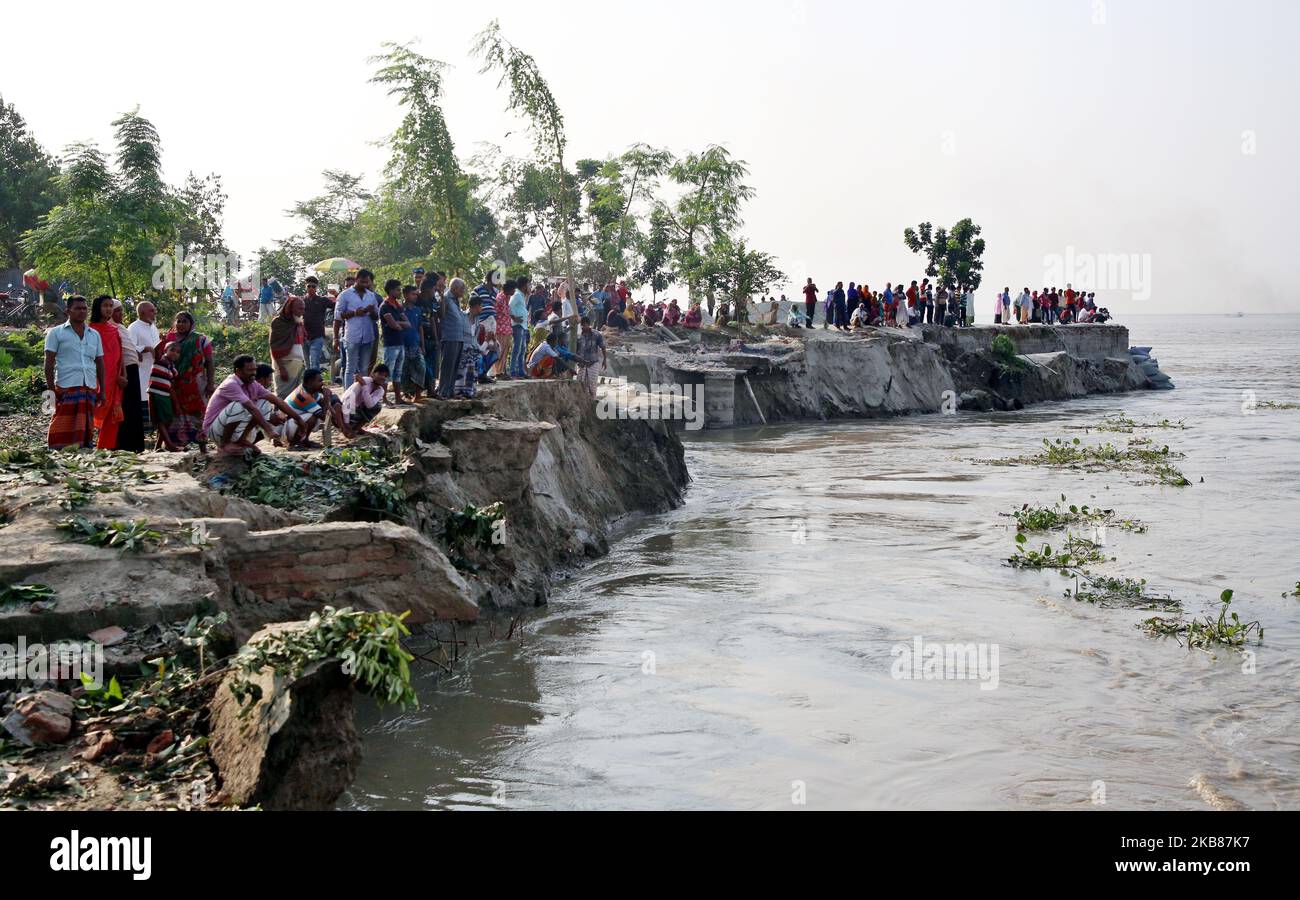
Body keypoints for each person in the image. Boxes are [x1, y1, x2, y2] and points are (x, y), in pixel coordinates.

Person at [203, 355, 304, 455]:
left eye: (254, 370)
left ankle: (241, 439)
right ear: (238, 371)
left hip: (231, 428)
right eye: (249, 370)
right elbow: (250, 407)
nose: (253, 373)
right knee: (240, 405)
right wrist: (268, 430)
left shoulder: (252, 384)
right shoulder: (231, 384)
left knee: (264, 402)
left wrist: (299, 419)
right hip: (214, 429)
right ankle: (225, 444)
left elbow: (277, 401)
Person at [43, 296, 105, 450]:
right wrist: (50, 391)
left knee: (85, 426)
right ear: (67, 311)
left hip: (88, 387)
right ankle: (57, 452)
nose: (82, 311)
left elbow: (100, 363)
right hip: (65, 386)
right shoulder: (55, 333)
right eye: (77, 308)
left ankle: (82, 452)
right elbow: (48, 363)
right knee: (59, 424)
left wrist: (102, 390)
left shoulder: (94, 334)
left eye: (84, 308)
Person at [153, 312, 214, 449]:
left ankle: (202, 446)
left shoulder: (200, 339)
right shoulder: (169, 338)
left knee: (198, 413)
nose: (181, 324)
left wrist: (210, 383)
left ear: (191, 324)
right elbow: (159, 357)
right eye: (178, 321)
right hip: (173, 384)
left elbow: (209, 362)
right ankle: (173, 445)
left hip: (196, 385)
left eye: (184, 321)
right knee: (174, 413)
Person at [87, 296, 126, 450]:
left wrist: (123, 375)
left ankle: (105, 448)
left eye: (111, 306)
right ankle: (85, 448)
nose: (109, 309)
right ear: (98, 307)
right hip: (97, 379)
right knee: (91, 414)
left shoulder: (115, 330)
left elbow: (120, 355)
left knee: (112, 417)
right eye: (105, 306)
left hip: (115, 380)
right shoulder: (90, 330)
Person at [109, 299, 145, 451]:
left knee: (134, 407)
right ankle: (125, 444)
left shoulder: (121, 327)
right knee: (126, 407)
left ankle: (136, 444)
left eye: (121, 310)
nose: (121, 314)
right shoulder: (110, 328)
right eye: (117, 311)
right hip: (122, 371)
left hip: (133, 368)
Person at [336, 269, 381, 386]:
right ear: (356, 280)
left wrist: (371, 312)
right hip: (352, 336)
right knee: (350, 368)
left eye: (367, 282)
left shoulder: (371, 296)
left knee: (364, 368)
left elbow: (376, 317)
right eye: (362, 282)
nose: (365, 284)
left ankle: (362, 396)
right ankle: (348, 396)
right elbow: (339, 315)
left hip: (367, 336)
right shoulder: (345, 295)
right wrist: (355, 313)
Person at [283, 368, 350, 446]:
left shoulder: (310, 390)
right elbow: (324, 416)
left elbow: (323, 403)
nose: (322, 383)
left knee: (330, 404)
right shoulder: (303, 396)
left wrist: (339, 422)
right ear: (310, 382)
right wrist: (327, 398)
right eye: (319, 381)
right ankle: (295, 443)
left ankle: (304, 440)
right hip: (286, 426)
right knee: (312, 417)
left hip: (293, 422)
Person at [127, 300, 160, 427]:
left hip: (154, 368)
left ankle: (154, 427)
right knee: (142, 396)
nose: (154, 312)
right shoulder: (134, 327)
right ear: (142, 312)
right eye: (151, 310)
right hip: (142, 369)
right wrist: (146, 348)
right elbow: (131, 347)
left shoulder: (153, 326)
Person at [437, 278, 470, 399]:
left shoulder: (456, 300)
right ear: (455, 288)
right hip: (449, 337)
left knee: (454, 366)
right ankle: (443, 392)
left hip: (458, 337)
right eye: (462, 289)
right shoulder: (445, 298)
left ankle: (450, 391)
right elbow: (441, 315)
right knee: (447, 366)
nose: (463, 291)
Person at [378, 279, 411, 405]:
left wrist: (398, 323)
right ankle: (384, 398)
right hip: (391, 343)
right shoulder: (385, 306)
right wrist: (399, 324)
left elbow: (407, 324)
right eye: (398, 289)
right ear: (391, 290)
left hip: (399, 342)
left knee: (398, 372)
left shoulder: (397, 305)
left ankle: (398, 398)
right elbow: (394, 325)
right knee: (387, 373)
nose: (400, 292)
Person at [270, 295, 308, 398]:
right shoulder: (278, 322)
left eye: (304, 309)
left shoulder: (298, 323)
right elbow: (274, 347)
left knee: (296, 396)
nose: (302, 312)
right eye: (300, 308)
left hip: (298, 366)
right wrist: (282, 368)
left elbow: (302, 342)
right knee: (283, 396)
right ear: (290, 308)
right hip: (284, 366)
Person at [148, 341, 182, 451]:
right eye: (172, 350)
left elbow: (173, 382)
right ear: (165, 351)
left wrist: (176, 402)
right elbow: (155, 351)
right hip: (156, 394)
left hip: (166, 395)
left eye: (177, 352)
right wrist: (162, 341)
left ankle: (158, 447)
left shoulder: (172, 368)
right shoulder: (160, 360)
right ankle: (169, 445)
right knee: (160, 421)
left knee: (168, 420)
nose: (175, 353)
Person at [399, 284, 427, 401]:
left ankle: (418, 393)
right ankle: (406, 393)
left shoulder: (417, 310)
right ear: (405, 295)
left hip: (415, 343)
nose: (416, 296)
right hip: (403, 344)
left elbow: (420, 327)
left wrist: (422, 345)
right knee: (404, 370)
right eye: (413, 294)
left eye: (416, 294)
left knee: (420, 368)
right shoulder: (399, 309)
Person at [341, 364, 389, 431]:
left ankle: (357, 428)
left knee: (377, 406)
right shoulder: (365, 380)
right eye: (380, 374)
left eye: (385, 376)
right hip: (345, 408)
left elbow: (370, 405)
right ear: (373, 374)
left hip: (357, 410)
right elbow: (348, 399)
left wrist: (364, 385)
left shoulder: (380, 390)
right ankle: (347, 426)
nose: (383, 377)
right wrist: (346, 423)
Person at [302, 276, 333, 370]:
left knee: (314, 362)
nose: (311, 288)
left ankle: (315, 383)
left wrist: (336, 295)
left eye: (313, 286)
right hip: (304, 336)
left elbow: (337, 306)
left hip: (317, 336)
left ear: (316, 288)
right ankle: (309, 383)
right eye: (309, 286)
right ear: (305, 287)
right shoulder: (301, 301)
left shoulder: (322, 300)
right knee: (307, 364)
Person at [574, 316, 607, 398]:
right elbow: (574, 349)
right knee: (580, 385)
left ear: (589, 325)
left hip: (593, 363)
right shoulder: (578, 335)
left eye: (586, 325)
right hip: (581, 364)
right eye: (582, 325)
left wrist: (605, 360)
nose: (584, 327)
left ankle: (592, 401)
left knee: (592, 385)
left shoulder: (596, 334)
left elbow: (603, 347)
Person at [509, 276, 530, 378]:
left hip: (523, 325)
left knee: (522, 350)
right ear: (524, 284)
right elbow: (509, 306)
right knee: (517, 349)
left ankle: (521, 371)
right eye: (528, 284)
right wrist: (514, 318)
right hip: (517, 325)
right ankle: (513, 371)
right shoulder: (517, 294)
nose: (529, 286)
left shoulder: (521, 295)